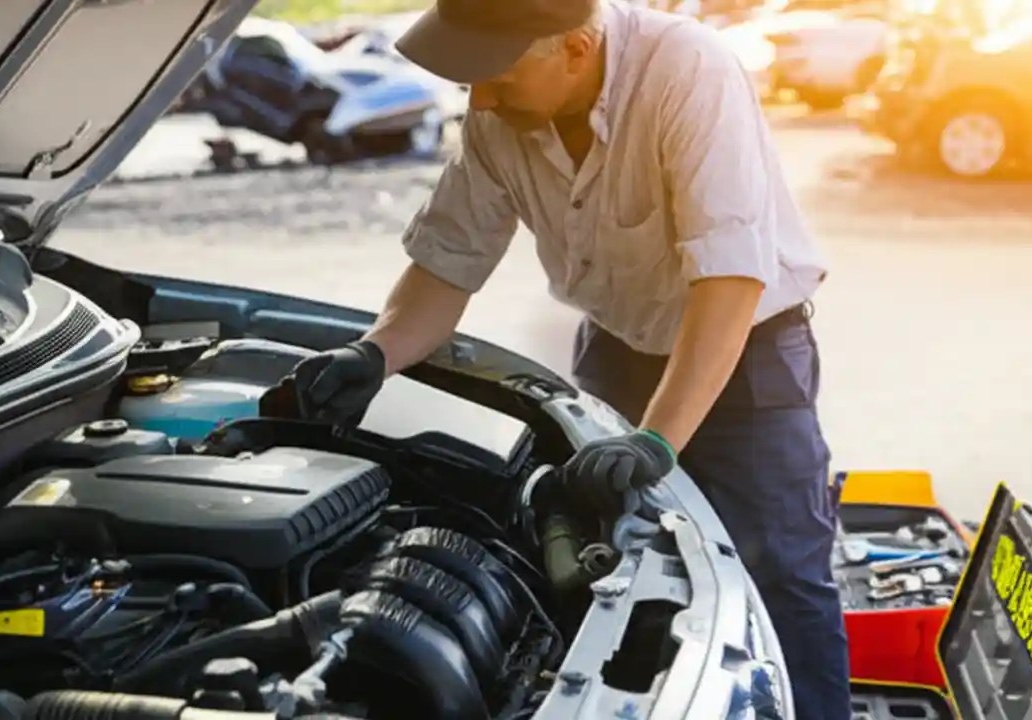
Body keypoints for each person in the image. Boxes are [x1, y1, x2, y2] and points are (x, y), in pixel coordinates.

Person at [286, 0, 851, 716]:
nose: (480, 99)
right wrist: (374, 354)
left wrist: (656, 440)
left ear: (578, 49)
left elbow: (730, 280)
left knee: (782, 573)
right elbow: (447, 263)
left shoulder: (687, 70)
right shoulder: (499, 114)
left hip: (742, 355)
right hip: (618, 347)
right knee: (604, 561)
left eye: (498, 76)